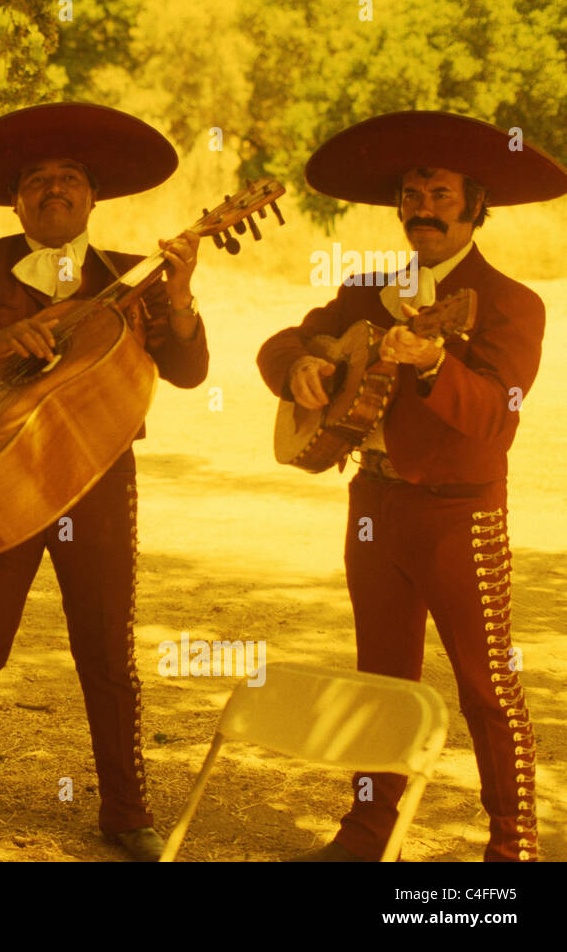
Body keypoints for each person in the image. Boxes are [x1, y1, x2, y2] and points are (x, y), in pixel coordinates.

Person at [0, 102, 208, 861]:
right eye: (37, 179)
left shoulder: (132, 277)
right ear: (17, 201)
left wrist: (180, 292)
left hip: (97, 477)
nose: (53, 188)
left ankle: (127, 813)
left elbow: (191, 371)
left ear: (93, 198)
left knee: (104, 650)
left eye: (69, 177)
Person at [257, 111, 567, 862]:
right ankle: (368, 831)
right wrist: (300, 364)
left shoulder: (509, 303)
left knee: (486, 683)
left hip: (460, 512)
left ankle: (512, 842)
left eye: (438, 192)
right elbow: (283, 343)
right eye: (409, 193)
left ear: (473, 205)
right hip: (374, 503)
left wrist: (432, 366)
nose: (421, 207)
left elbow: (497, 418)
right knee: (380, 678)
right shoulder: (367, 291)